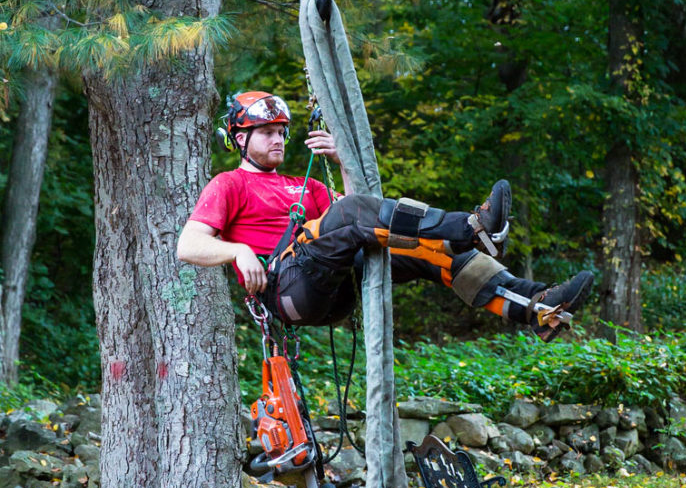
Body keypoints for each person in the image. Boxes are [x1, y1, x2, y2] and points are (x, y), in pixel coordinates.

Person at [177, 91, 593, 341]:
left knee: (431, 250)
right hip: (287, 288)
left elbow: (364, 216)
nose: (278, 139)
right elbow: (188, 245)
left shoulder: (305, 187)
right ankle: (471, 226)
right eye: (267, 132)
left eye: (282, 132)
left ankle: (536, 307)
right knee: (354, 215)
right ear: (240, 139)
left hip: (333, 286)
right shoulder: (229, 183)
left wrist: (342, 160)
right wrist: (238, 251)